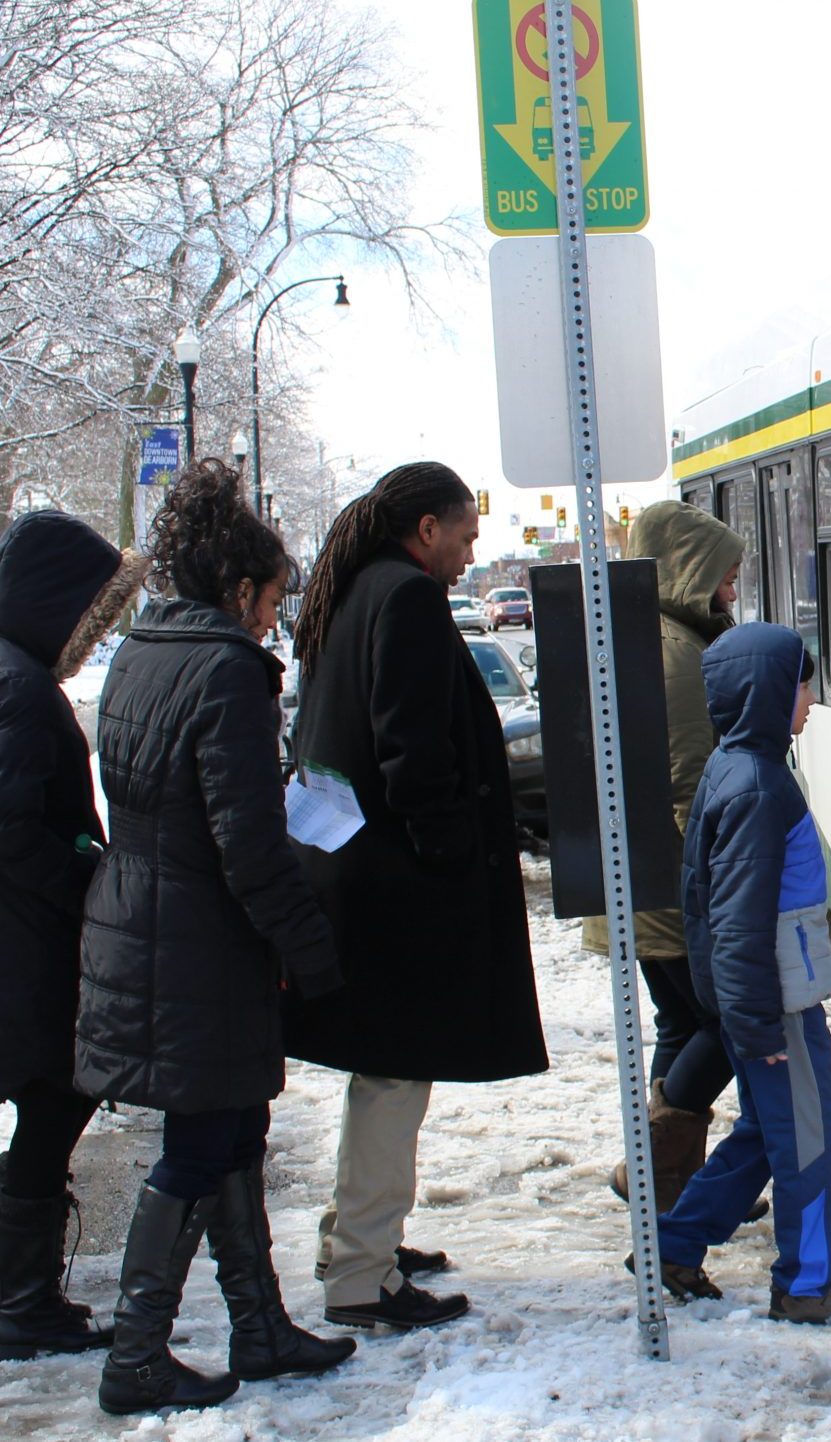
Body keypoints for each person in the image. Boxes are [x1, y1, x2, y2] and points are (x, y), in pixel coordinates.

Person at [76, 463, 354, 1414]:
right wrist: (312, 951)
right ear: (240, 591)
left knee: (233, 1128)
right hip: (200, 945)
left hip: (150, 926)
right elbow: (246, 843)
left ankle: (259, 1326)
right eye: (274, 600)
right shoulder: (228, 672)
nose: (276, 619)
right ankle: (138, 1354)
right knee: (200, 1142)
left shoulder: (142, 652)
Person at [285, 461, 547, 1330]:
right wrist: (447, 855)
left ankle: (356, 1237)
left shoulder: (354, 591)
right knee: (395, 1077)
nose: (472, 555)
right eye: (466, 535)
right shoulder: (402, 599)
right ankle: (361, 1272)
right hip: (400, 886)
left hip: (359, 874)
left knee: (384, 1072)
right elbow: (412, 753)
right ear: (426, 529)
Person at [0, 510, 144, 1360]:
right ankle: (25, 1302)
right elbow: (11, 829)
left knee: (44, 1103)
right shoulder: (15, 684)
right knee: (55, 1100)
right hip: (13, 933)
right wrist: (90, 881)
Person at [649, 624, 831, 1326]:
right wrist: (755, 1020)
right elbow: (740, 917)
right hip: (779, 1001)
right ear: (769, 692)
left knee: (765, 1135)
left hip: (760, 998)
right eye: (802, 684)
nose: (810, 700)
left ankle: (676, 1245)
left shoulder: (734, 766)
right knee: (807, 1145)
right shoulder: (759, 786)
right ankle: (805, 1287)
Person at [587, 499, 751, 1211]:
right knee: (729, 1026)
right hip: (672, 888)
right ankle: (653, 1170)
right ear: (686, 572)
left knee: (684, 1026)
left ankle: (675, 1182)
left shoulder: (646, 638)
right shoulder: (678, 657)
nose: (733, 589)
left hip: (641, 882)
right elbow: (691, 788)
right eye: (724, 575)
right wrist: (720, 897)